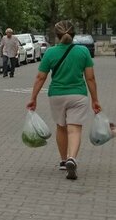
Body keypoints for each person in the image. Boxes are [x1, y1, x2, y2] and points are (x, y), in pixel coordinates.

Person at [27, 19, 101, 180]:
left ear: (57, 35)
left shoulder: (51, 53)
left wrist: (33, 98)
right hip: (78, 95)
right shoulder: (83, 52)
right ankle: (72, 158)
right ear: (74, 34)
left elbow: (40, 77)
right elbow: (90, 78)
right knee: (74, 129)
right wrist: (95, 100)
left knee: (61, 127)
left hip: (57, 95)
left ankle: (63, 160)